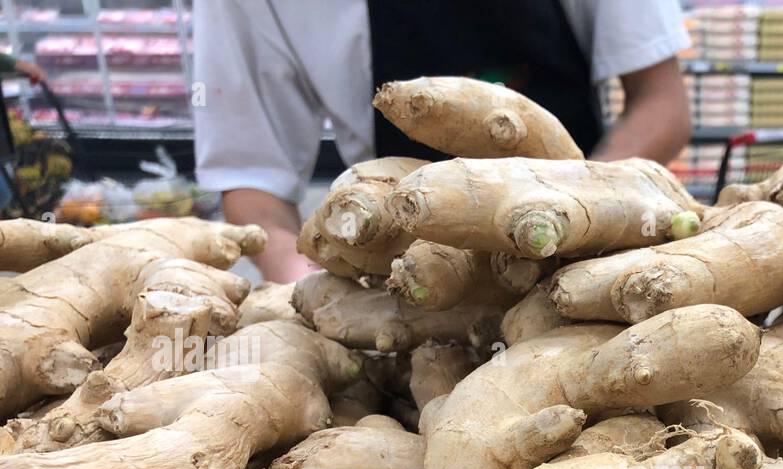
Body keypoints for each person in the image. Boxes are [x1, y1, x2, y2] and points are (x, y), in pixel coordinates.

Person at [193, 0, 693, 282]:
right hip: (399, 270)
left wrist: (590, 213)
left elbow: (661, 102)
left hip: (592, 255)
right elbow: (251, 178)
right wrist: (314, 292)